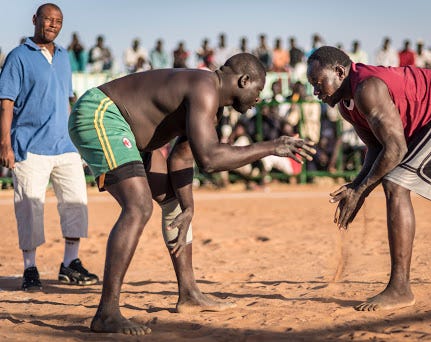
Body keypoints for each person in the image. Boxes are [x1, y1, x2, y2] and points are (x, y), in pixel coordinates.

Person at [68, 52, 316, 335]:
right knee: (138, 207)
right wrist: (272, 146)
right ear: (244, 80)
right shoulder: (205, 87)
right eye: (258, 90)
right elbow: (210, 159)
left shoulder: (212, 100)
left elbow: (181, 158)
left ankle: (188, 295)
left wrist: (188, 206)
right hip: (100, 113)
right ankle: (107, 313)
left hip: (131, 132)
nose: (258, 97)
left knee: (174, 208)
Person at [306, 46, 431, 311]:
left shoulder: (367, 89)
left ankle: (400, 288)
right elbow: (376, 148)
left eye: (318, 82)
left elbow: (396, 149)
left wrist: (361, 191)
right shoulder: (347, 106)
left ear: (339, 71)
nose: (315, 91)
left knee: (396, 183)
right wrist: (356, 187)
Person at [0, 3, 98, 292]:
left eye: (58, 21)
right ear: (35, 20)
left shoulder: (66, 57)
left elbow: (67, 102)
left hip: (65, 146)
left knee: (76, 204)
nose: (53, 24)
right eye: (48, 19)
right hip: (29, 148)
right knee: (29, 208)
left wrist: (79, 142)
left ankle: (70, 263)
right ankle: (30, 267)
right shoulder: (18, 57)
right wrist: (5, 143)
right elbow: (5, 102)